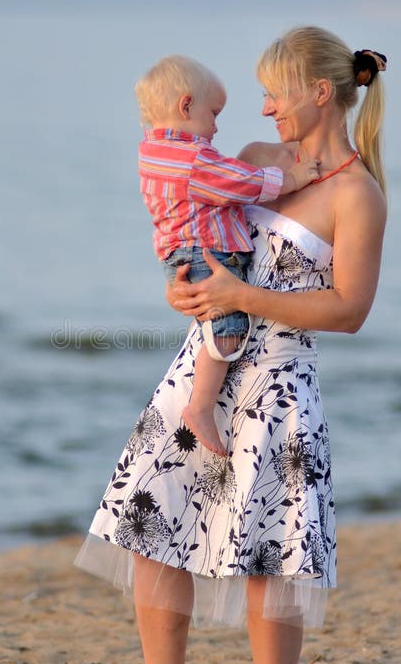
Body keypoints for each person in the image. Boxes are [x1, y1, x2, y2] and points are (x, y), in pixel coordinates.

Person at [74, 27, 387, 664]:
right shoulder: (249, 160)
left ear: (317, 92)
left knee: (270, 551)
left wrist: (242, 299)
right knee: (152, 522)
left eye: (275, 93)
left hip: (277, 386)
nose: (267, 108)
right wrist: (185, 293)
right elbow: (200, 240)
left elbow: (348, 310)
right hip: (199, 368)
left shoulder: (357, 195)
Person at [135, 55, 319, 455]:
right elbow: (238, 182)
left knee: (217, 325)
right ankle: (201, 405)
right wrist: (289, 180)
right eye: (213, 113)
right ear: (186, 107)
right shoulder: (194, 160)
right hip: (207, 256)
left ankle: (202, 401)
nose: (217, 126)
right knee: (228, 331)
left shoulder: (154, 153)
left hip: (184, 255)